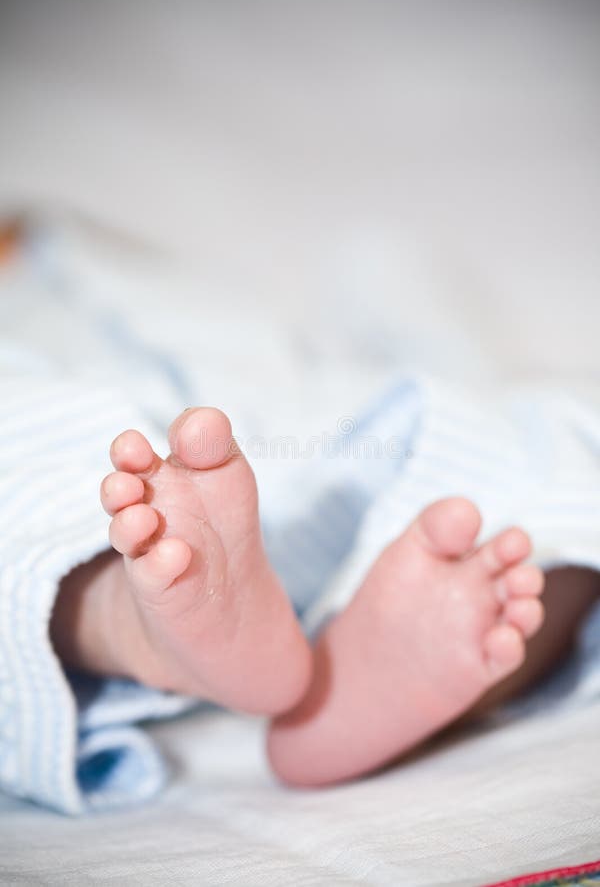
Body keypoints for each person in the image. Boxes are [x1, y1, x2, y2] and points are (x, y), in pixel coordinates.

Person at [2, 218, 600, 813]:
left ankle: (368, 680)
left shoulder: (112, 258)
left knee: (550, 427)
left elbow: (401, 346)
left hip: (317, 452)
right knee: (31, 461)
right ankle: (126, 619)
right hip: (150, 505)